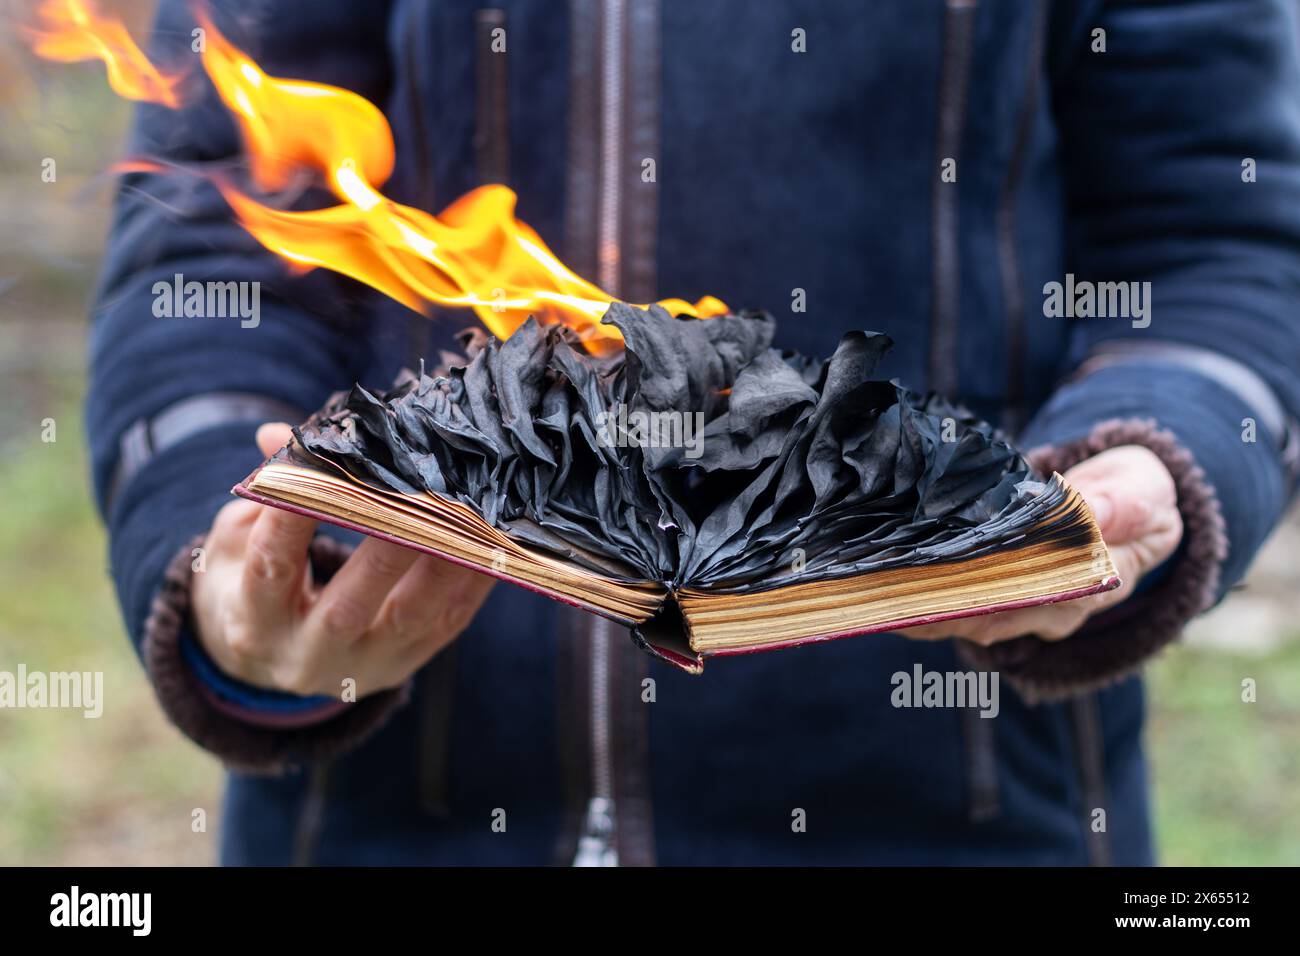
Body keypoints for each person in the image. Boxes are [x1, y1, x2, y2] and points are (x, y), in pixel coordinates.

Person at [88, 0, 1300, 865]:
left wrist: (1151, 457)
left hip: (957, 814)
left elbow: (1229, 242)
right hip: (397, 819)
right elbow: (206, 250)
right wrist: (226, 580)